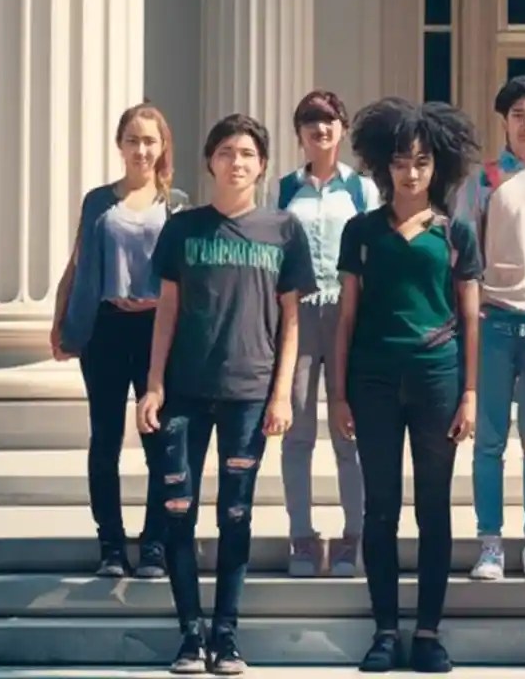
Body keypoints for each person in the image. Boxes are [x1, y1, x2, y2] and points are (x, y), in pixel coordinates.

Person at [136, 114, 316, 675]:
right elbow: (165, 311)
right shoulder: (183, 229)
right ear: (210, 160)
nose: (235, 162)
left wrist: (281, 394)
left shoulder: (283, 229)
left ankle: (227, 635)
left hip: (248, 392)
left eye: (246, 153)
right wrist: (155, 384)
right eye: (225, 152)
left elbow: (292, 322)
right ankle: (191, 634)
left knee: (235, 513)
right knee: (177, 509)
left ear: (262, 165)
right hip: (185, 392)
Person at [333, 97, 481, 673]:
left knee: (434, 508)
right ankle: (385, 630)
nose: (411, 172)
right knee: (380, 509)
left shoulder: (455, 233)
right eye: (400, 161)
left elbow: (471, 317)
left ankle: (427, 632)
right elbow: (346, 315)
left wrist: (470, 392)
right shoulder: (361, 231)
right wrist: (339, 394)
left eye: (421, 161)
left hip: (437, 376)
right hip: (371, 379)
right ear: (383, 166)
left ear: (436, 165)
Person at [51, 102, 185, 579]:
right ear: (120, 145)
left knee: (159, 441)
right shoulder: (98, 201)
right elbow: (78, 263)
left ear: (162, 145)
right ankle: (111, 544)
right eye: (133, 140)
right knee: (105, 438)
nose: (141, 150)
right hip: (106, 327)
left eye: (150, 141)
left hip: (157, 330)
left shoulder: (177, 203)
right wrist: (62, 320)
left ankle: (154, 545)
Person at [455, 75, 525, 582]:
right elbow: (462, 250)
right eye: (517, 114)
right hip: (496, 321)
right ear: (505, 121)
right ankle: (491, 542)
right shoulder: (485, 179)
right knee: (490, 439)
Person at [271, 89, 379, 578]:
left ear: (343, 128)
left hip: (347, 313)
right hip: (297, 315)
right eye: (312, 123)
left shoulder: (361, 189)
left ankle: (353, 535)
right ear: (300, 134)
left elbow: (373, 254)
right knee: (296, 431)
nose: (322, 130)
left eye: (330, 121)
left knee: (347, 431)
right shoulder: (283, 188)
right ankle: (301, 535)